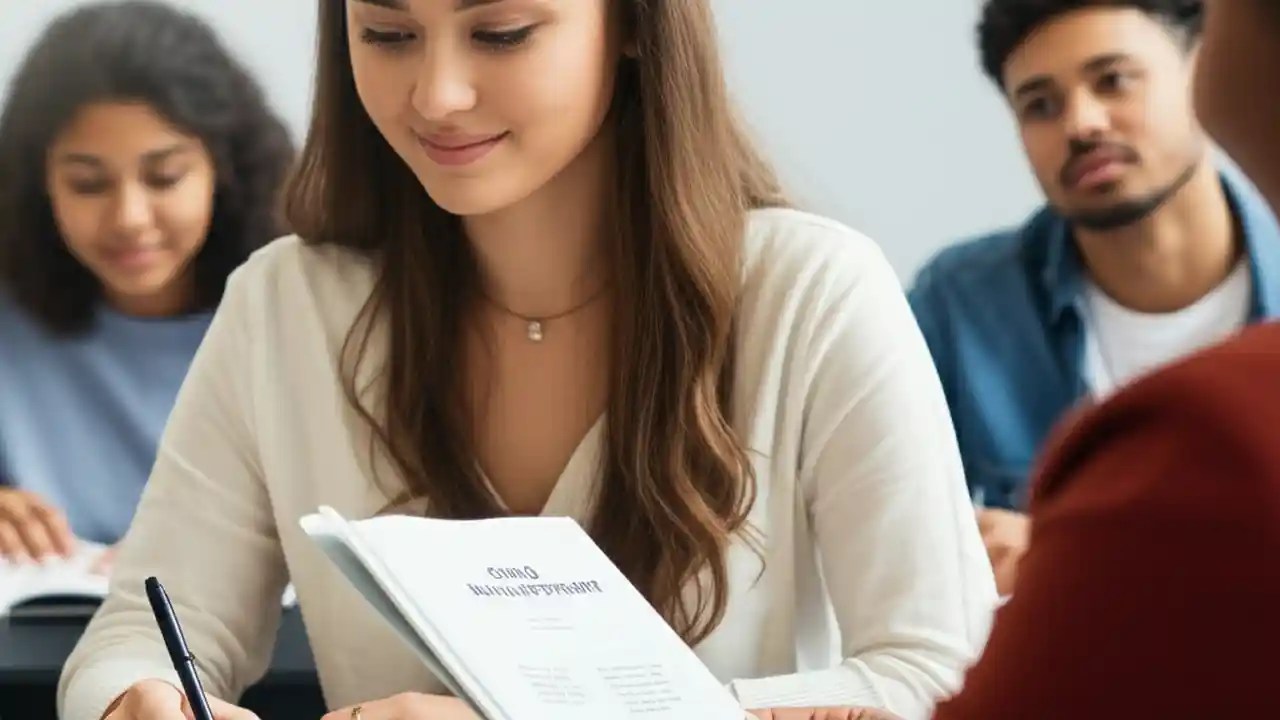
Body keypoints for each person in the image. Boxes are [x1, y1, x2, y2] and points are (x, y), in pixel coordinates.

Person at [59, 0, 996, 718]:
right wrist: (135, 696)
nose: (436, 94)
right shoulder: (284, 306)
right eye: (387, 33)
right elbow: (142, 632)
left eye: (501, 33)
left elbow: (939, 677)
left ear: (632, 27)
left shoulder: (814, 293)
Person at [931, 4, 1280, 714]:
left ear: (1200, 66)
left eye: (1114, 80)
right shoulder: (957, 304)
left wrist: (1076, 558)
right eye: (1040, 105)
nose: (1082, 123)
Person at [0, 1, 295, 565]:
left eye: (164, 177)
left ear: (224, 170)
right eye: (88, 184)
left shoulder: (300, 307)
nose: (130, 217)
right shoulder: (10, 315)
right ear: (40, 183)